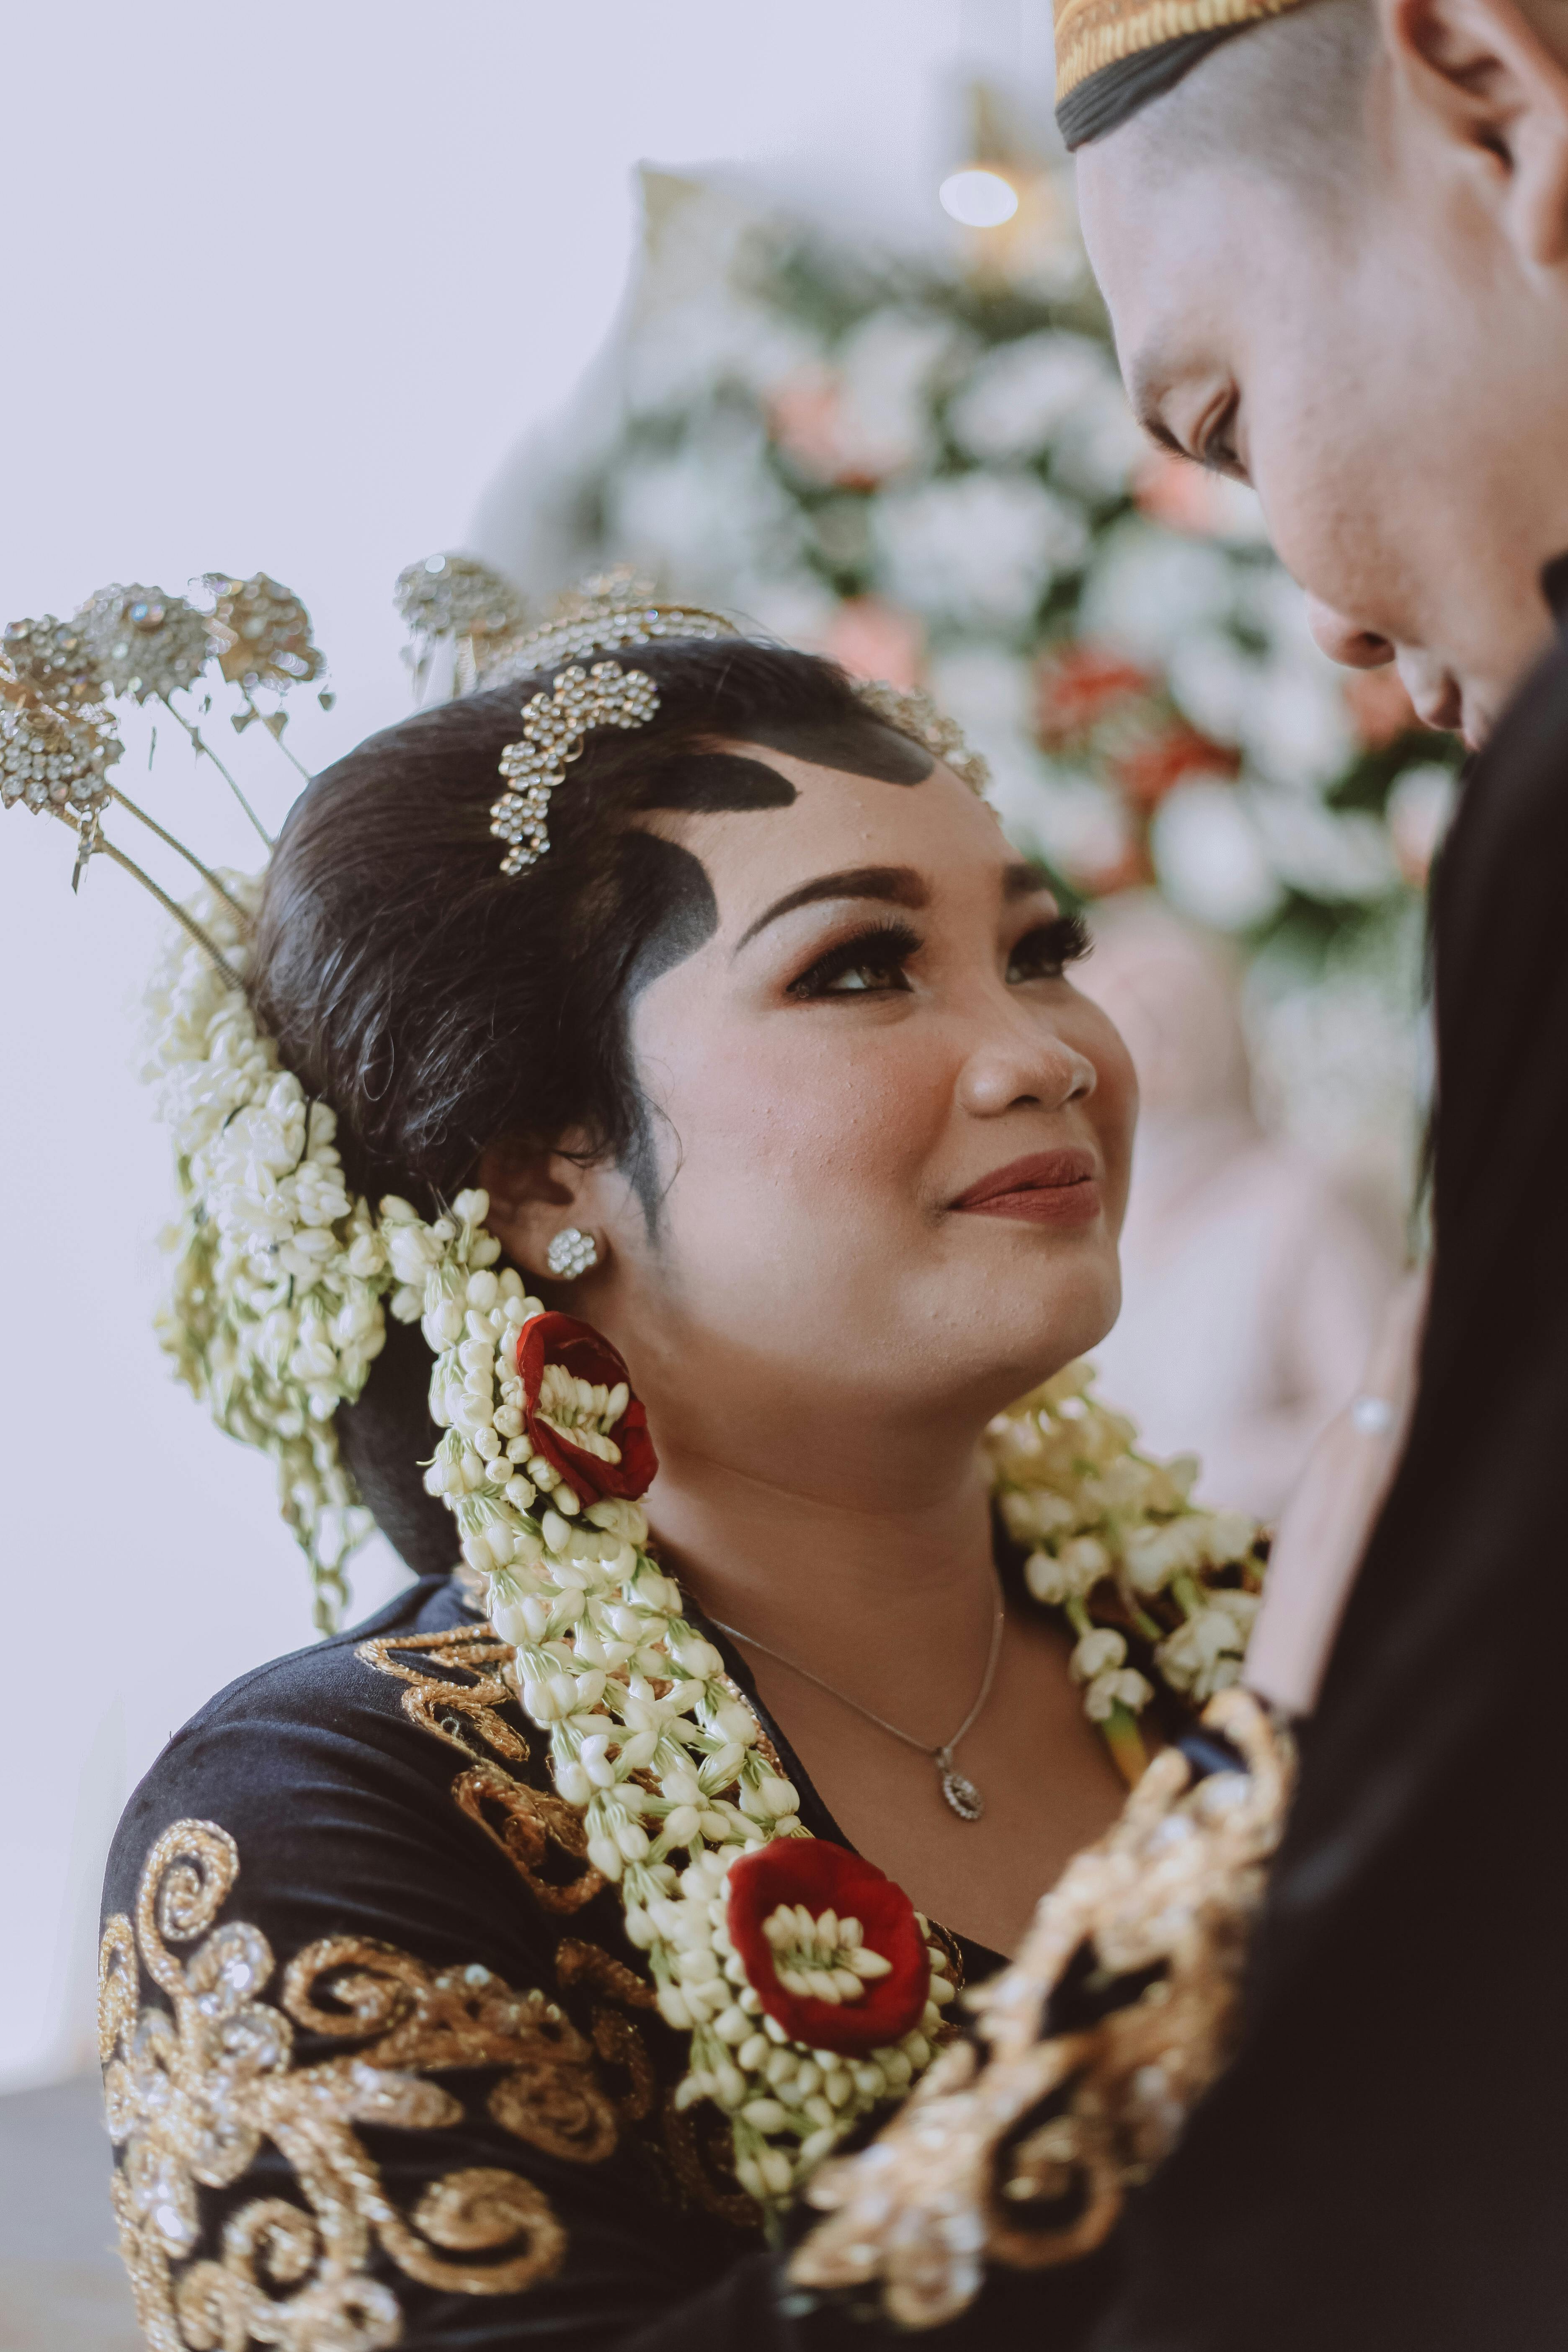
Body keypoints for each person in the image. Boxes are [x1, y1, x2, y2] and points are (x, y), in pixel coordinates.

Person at [73, 576, 1280, 2352]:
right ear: (541, 1168)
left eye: (1039, 950)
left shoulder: (1248, 1636)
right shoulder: (327, 1827)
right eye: (860, 967)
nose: (1046, 1056)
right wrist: (1259, 1840)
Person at [792, 1, 1568, 2343]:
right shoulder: (346, 1807)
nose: (1322, 612)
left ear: (1491, 94)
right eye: (849, 974)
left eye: (1226, 420)